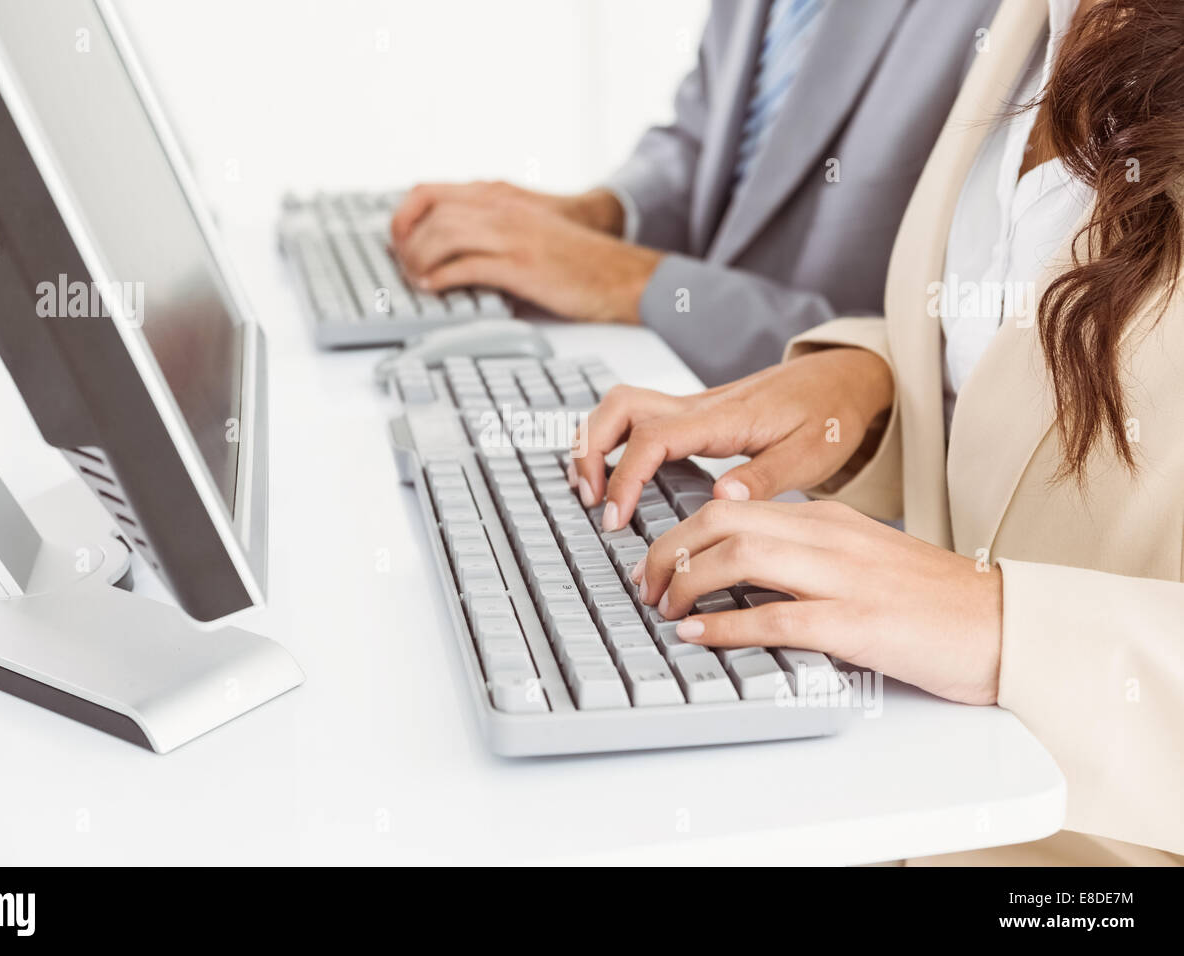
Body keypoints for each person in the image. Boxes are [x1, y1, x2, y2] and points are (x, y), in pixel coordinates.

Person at [569, 0, 1184, 865]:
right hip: (915, 796)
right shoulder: (1029, 20)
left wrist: (999, 624)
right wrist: (864, 388)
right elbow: (1031, 357)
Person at [388, 0, 1001, 385]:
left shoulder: (1021, 18)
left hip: (852, 504)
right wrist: (599, 215)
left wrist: (630, 281)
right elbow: (702, 137)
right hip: (683, 404)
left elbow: (953, 356)